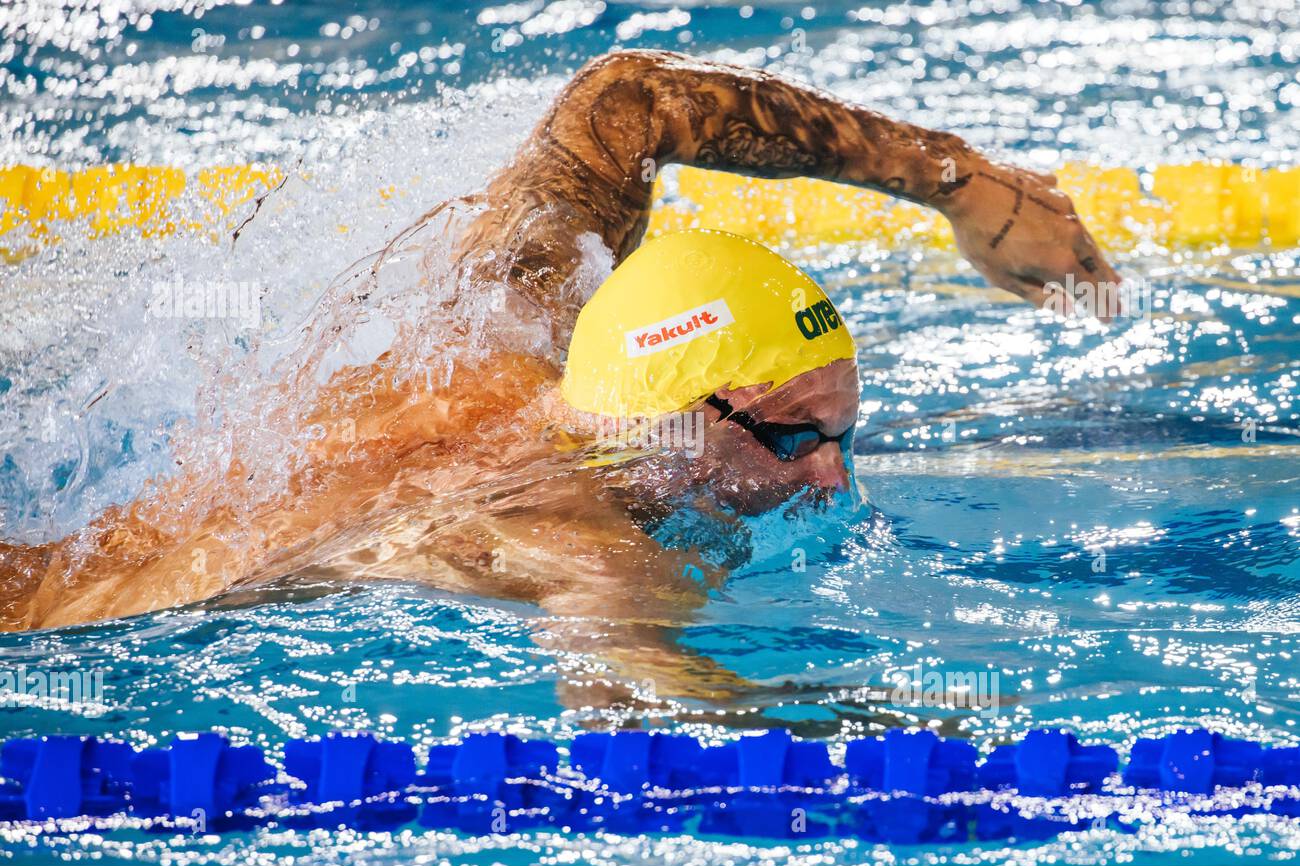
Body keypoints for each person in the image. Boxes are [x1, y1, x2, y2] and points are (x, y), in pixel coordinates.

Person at [0, 51, 1118, 706]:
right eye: (790, 438)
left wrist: (957, 180)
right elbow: (632, 712)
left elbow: (623, 101)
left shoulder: (510, 320)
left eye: (840, 434)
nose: (829, 480)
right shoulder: (577, 537)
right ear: (675, 415)